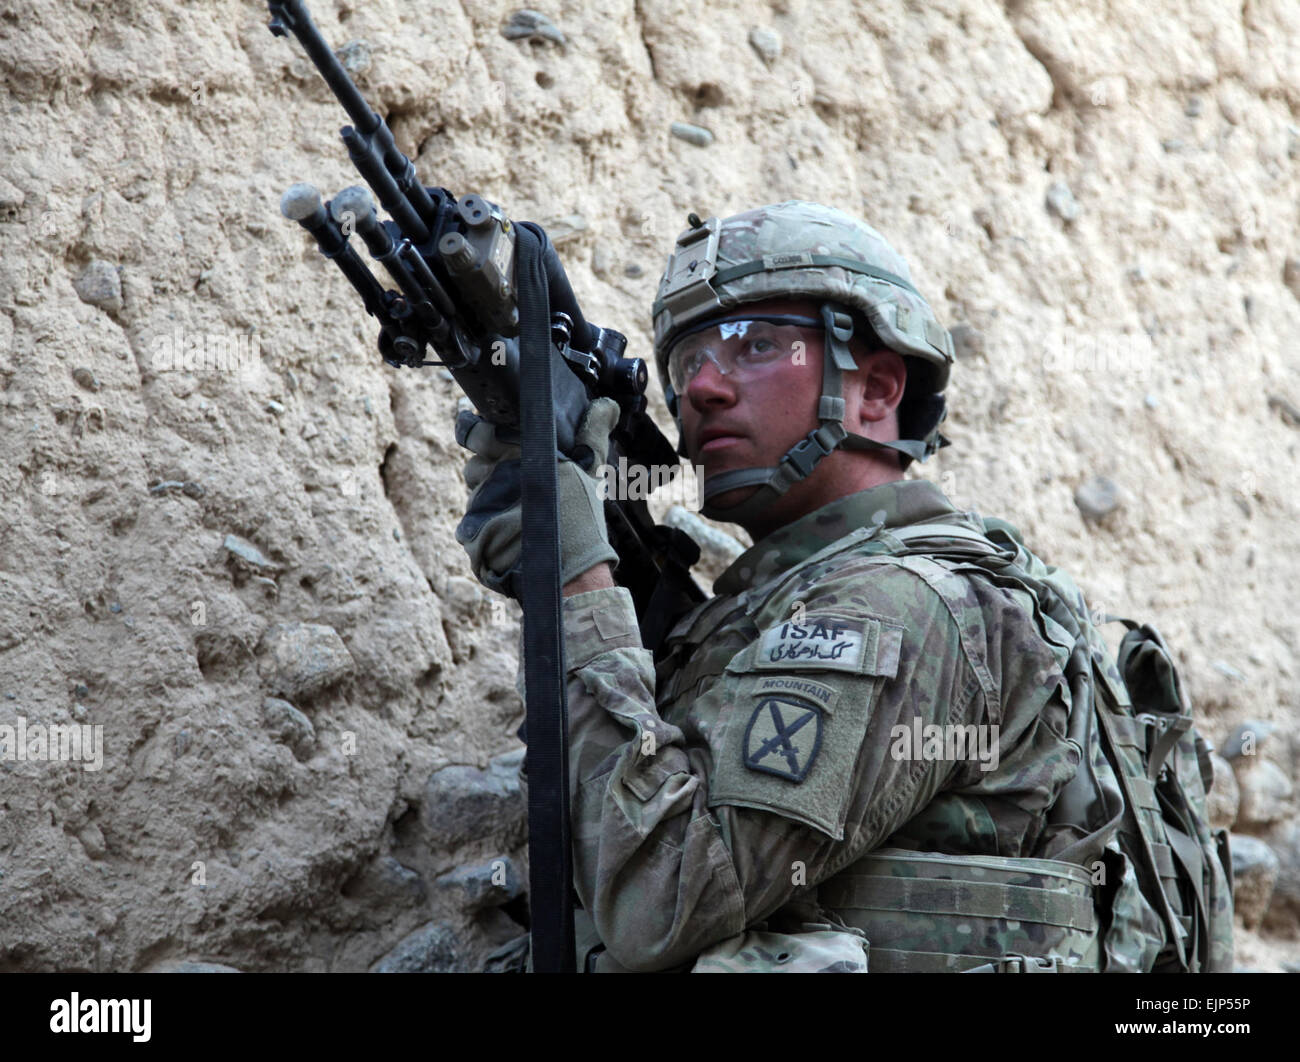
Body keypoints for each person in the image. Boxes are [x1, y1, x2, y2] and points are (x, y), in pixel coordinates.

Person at [456, 201, 1116, 973]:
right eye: (685, 363)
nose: (702, 388)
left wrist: (576, 583)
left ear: (875, 388)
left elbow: (662, 904)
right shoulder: (770, 609)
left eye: (755, 343)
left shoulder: (898, 606)